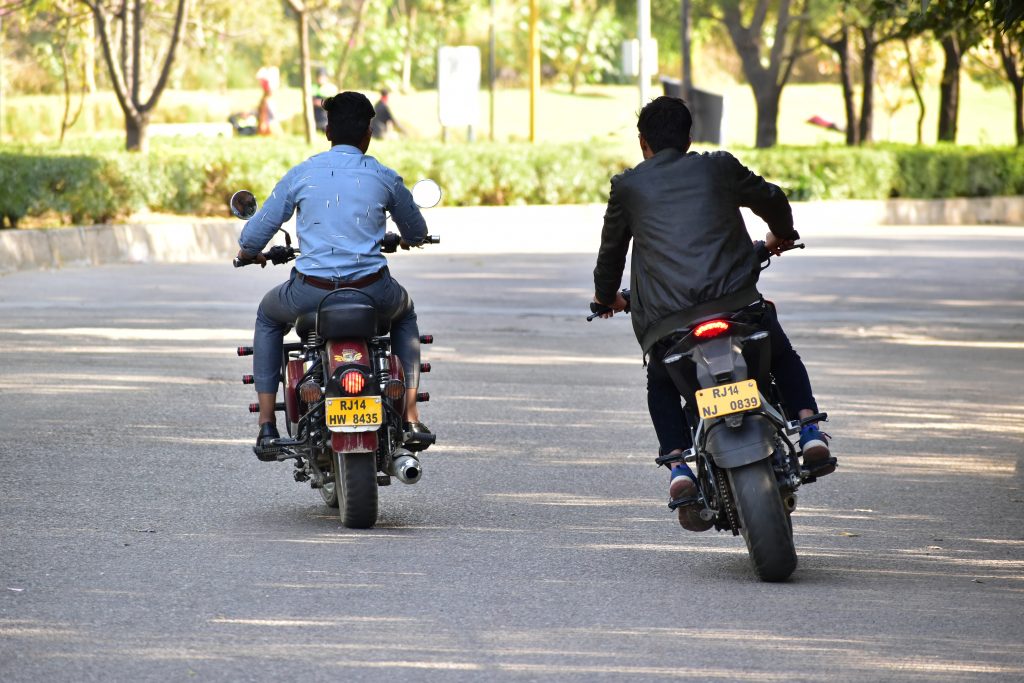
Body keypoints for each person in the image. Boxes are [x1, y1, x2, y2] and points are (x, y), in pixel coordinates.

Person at [592, 96, 834, 530]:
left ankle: (680, 466)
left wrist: (607, 297)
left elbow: (612, 254)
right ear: (689, 137)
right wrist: (782, 235)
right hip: (738, 306)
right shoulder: (718, 167)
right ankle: (809, 430)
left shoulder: (627, 186)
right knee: (781, 355)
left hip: (669, 325)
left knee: (662, 384)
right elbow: (772, 198)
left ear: (643, 142)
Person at [237, 91, 431, 459]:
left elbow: (252, 237)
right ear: (368, 133)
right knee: (405, 313)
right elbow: (416, 232)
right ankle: (409, 415)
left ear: (328, 132)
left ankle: (266, 423)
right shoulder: (384, 177)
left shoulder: (302, 174)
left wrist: (249, 253)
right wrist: (407, 240)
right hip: (373, 292)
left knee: (267, 315)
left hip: (311, 293)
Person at [312, 68, 337, 133]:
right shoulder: (312, 87)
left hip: (326, 121)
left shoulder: (332, 88)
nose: (320, 79)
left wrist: (321, 103)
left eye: (322, 77)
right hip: (314, 120)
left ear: (326, 78)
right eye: (318, 76)